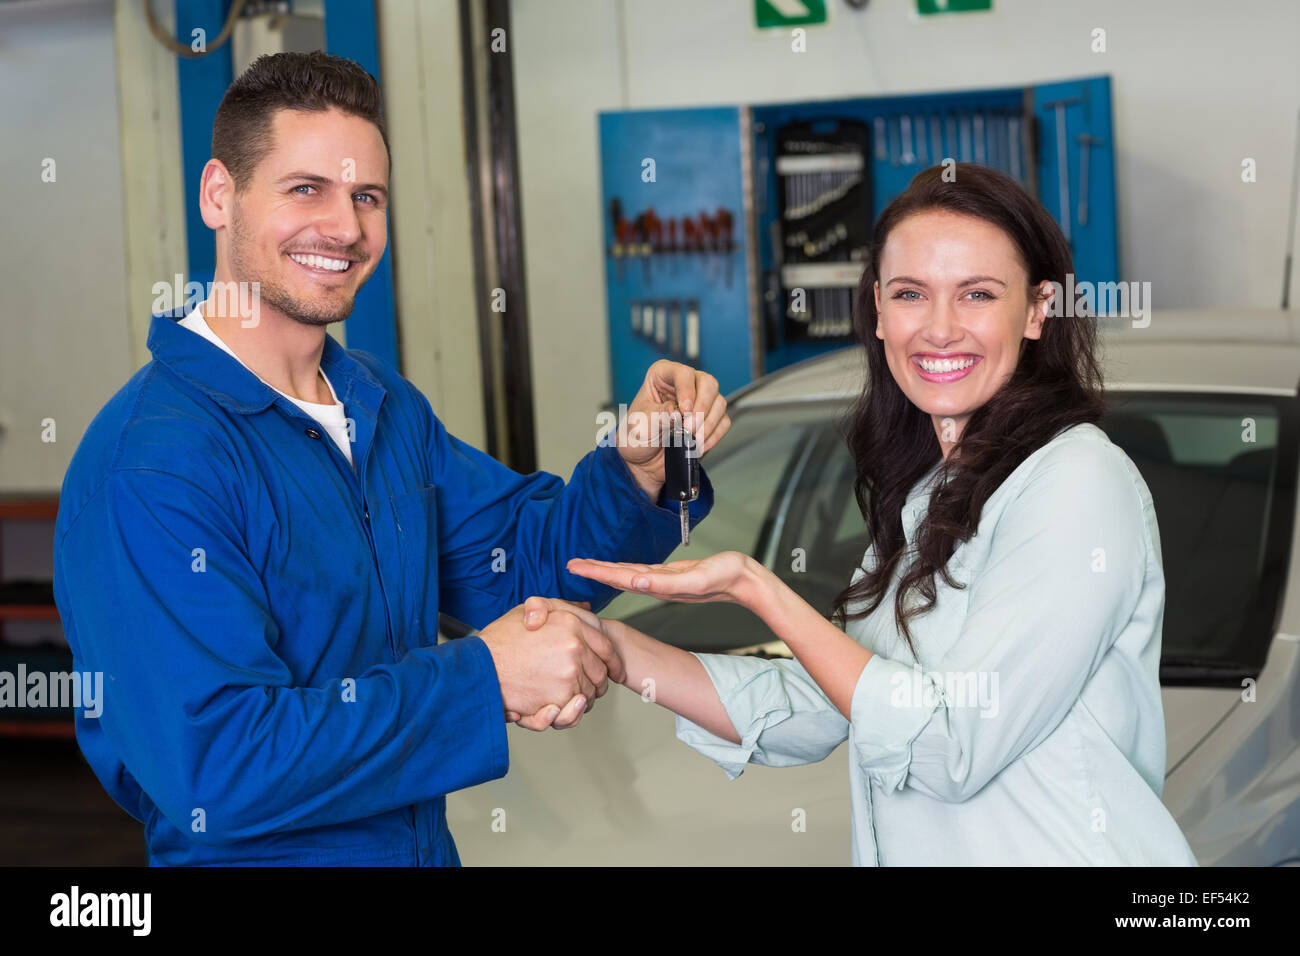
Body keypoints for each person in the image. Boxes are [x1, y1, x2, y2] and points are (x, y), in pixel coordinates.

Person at [52, 51, 731, 866]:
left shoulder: (378, 404)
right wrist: (483, 680)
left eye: (366, 196)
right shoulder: (153, 465)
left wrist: (636, 474)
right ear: (219, 195)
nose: (345, 228)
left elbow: (519, 563)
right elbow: (218, 767)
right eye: (307, 189)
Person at [563, 163, 1200, 866]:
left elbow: (951, 746)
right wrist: (612, 648)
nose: (940, 329)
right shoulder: (931, 491)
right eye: (910, 294)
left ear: (1038, 308)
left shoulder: (1077, 483)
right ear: (877, 308)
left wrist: (757, 588)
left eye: (978, 294)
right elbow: (819, 702)